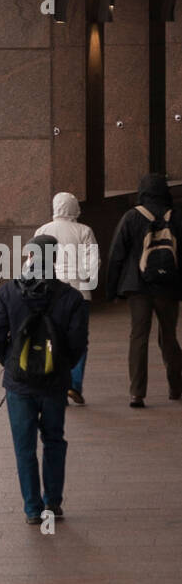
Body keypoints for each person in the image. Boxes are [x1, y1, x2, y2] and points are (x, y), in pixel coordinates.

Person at [0, 235, 88, 524]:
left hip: (19, 385)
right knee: (54, 439)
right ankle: (52, 503)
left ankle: (33, 508)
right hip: (54, 383)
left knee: (24, 446)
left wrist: (10, 363)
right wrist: (62, 366)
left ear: (29, 257)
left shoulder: (8, 292)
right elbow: (78, 341)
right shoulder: (71, 297)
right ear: (54, 259)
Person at [106, 172, 182, 408]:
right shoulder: (177, 216)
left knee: (138, 336)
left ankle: (137, 393)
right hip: (168, 286)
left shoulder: (132, 217)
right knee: (168, 336)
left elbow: (116, 255)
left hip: (138, 286)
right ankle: (176, 387)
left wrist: (112, 291)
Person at [34, 192, 100, 405]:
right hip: (79, 292)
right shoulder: (84, 230)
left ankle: (52, 384)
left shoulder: (43, 230)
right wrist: (85, 279)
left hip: (49, 293)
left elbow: (32, 263)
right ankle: (73, 384)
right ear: (75, 208)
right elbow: (94, 261)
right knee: (79, 338)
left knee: (51, 337)